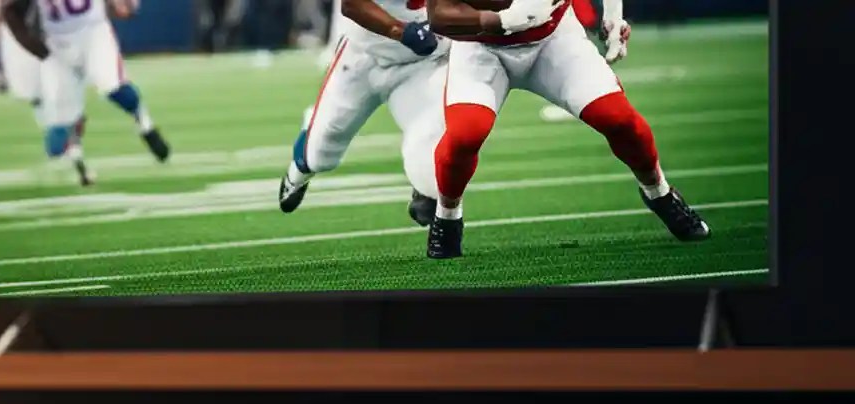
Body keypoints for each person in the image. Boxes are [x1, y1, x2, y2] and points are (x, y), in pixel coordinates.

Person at [425, 0, 710, 260]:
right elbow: (438, 15)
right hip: (480, 47)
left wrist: (613, 18)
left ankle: (660, 194)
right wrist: (500, 21)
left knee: (619, 119)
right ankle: (447, 216)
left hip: (554, 38)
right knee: (465, 134)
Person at [278, 0, 555, 224]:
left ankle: (425, 190)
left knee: (431, 167)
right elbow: (352, 5)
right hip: (364, 59)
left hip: (424, 64)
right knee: (321, 153)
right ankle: (299, 169)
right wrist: (401, 30)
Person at [1, 0, 170, 187]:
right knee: (56, 142)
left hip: (93, 33)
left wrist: (120, 5)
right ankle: (79, 162)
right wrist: (37, 48)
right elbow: (11, 12)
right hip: (56, 44)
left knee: (115, 88)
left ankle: (145, 124)